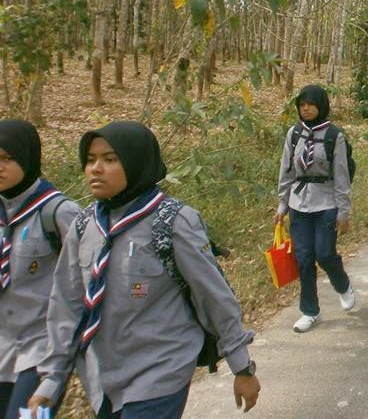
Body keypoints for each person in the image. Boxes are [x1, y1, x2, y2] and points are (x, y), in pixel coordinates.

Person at [28, 121, 259, 419]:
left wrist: (242, 367)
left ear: (136, 161)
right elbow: (66, 306)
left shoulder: (173, 222)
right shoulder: (84, 226)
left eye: (110, 159)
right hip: (102, 381)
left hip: (160, 372)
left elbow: (214, 297)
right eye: (90, 160)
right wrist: (52, 378)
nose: (96, 168)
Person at [0, 120, 80, 419]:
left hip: (43, 350)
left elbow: (86, 280)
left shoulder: (57, 212)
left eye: (7, 158)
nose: (0, 167)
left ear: (28, 156)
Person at [275, 84, 355, 334]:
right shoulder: (294, 134)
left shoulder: (334, 136)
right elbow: (286, 170)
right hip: (299, 203)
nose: (305, 109)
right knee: (304, 258)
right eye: (301, 105)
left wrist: (343, 211)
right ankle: (310, 311)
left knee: (324, 253)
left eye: (310, 104)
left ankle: (342, 284)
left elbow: (341, 176)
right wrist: (282, 204)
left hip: (326, 202)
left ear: (321, 105)